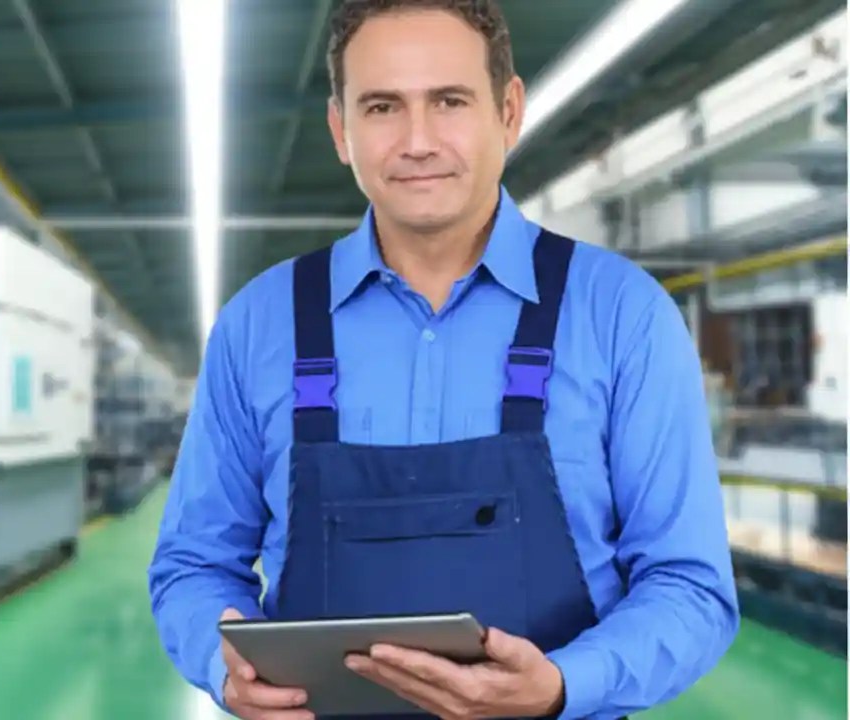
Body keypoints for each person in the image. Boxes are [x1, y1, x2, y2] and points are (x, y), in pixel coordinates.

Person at [148, 1, 740, 718]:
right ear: (341, 130)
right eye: (382, 107)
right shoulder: (257, 326)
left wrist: (562, 685)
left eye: (450, 101)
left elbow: (690, 585)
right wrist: (225, 662)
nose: (418, 141)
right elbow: (194, 565)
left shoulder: (622, 316)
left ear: (509, 111)